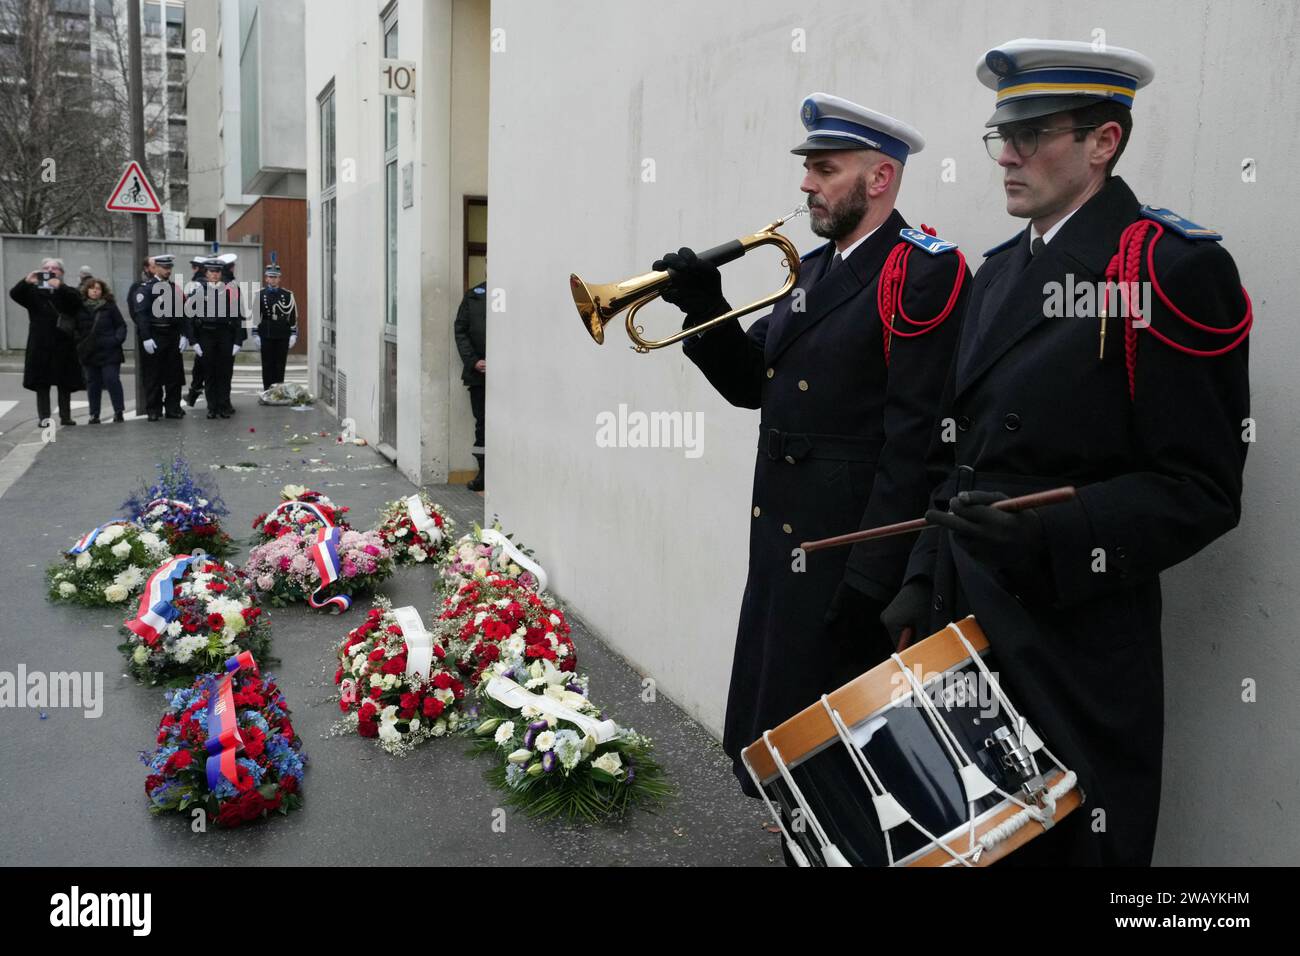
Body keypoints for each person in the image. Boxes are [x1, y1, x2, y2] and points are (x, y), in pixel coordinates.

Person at [881, 39, 1252, 866]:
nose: (1006, 156)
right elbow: (957, 454)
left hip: (1069, 641)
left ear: (1103, 142)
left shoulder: (1163, 267)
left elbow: (1201, 487)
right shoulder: (1001, 269)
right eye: (1000, 136)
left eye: (1033, 134)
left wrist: (1057, 532)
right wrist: (917, 579)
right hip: (964, 616)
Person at [656, 93, 970, 816]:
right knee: (786, 742)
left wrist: (872, 580)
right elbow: (749, 385)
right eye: (808, 170)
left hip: (846, 556)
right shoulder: (812, 270)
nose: (806, 185)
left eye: (824, 170)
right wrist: (706, 306)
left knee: (844, 760)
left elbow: (917, 443)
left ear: (880, 178)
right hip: (783, 546)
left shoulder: (922, 271)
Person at [8, 258, 85, 427]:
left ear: (61, 273)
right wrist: (26, 281)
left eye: (55, 268)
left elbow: (78, 302)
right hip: (40, 343)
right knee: (41, 383)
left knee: (64, 383)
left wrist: (60, 286)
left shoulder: (66, 291)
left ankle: (66, 416)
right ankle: (44, 417)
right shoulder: (33, 292)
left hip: (63, 343)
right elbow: (14, 294)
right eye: (46, 268)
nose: (50, 270)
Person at [129, 254, 189, 421]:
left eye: (169, 268)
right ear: (155, 268)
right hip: (155, 335)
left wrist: (184, 334)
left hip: (172, 335)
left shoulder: (174, 288)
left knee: (174, 375)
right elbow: (141, 315)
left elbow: (182, 313)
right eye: (164, 267)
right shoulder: (146, 288)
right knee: (153, 375)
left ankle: (173, 407)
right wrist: (146, 337)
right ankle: (153, 409)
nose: (167, 270)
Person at [189, 257, 245, 419]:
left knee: (225, 373)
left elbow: (238, 316)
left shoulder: (231, 290)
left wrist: (238, 340)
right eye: (211, 272)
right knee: (209, 373)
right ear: (206, 273)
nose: (214, 275)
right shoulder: (199, 290)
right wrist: (193, 341)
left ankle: (224, 405)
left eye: (217, 272)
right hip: (206, 334)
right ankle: (212, 407)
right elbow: (190, 317)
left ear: (221, 273)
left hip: (225, 334)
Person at [73, 277, 129, 423]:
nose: (95, 291)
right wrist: (79, 342)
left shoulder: (109, 306)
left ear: (102, 291)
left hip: (109, 351)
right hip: (89, 352)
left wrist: (116, 340)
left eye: (98, 288)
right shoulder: (80, 307)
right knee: (93, 383)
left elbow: (121, 325)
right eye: (92, 288)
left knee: (112, 380)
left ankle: (118, 411)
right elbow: (74, 327)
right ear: (87, 290)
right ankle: (94, 414)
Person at [454, 279, 487, 490]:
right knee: (482, 425)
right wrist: (474, 361)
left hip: (513, 378)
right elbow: (460, 330)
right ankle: (483, 474)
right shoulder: (474, 295)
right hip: (480, 377)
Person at [252, 257, 299, 390]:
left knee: (280, 364)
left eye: (275, 277)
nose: (273, 279)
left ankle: (278, 391)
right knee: (267, 364)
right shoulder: (259, 295)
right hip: (266, 333)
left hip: (282, 334)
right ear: (266, 279)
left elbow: (292, 316)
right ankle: (267, 391)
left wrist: (293, 334)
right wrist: (255, 335)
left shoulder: (288, 295)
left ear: (279, 279)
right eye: (270, 277)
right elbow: (255, 317)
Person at [184, 255, 207, 407]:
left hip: (200, 330)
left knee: (200, 366)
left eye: (194, 267)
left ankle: (193, 393)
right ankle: (194, 393)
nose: (192, 270)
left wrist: (188, 335)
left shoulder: (196, 285)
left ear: (198, 268)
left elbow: (188, 309)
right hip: (206, 329)